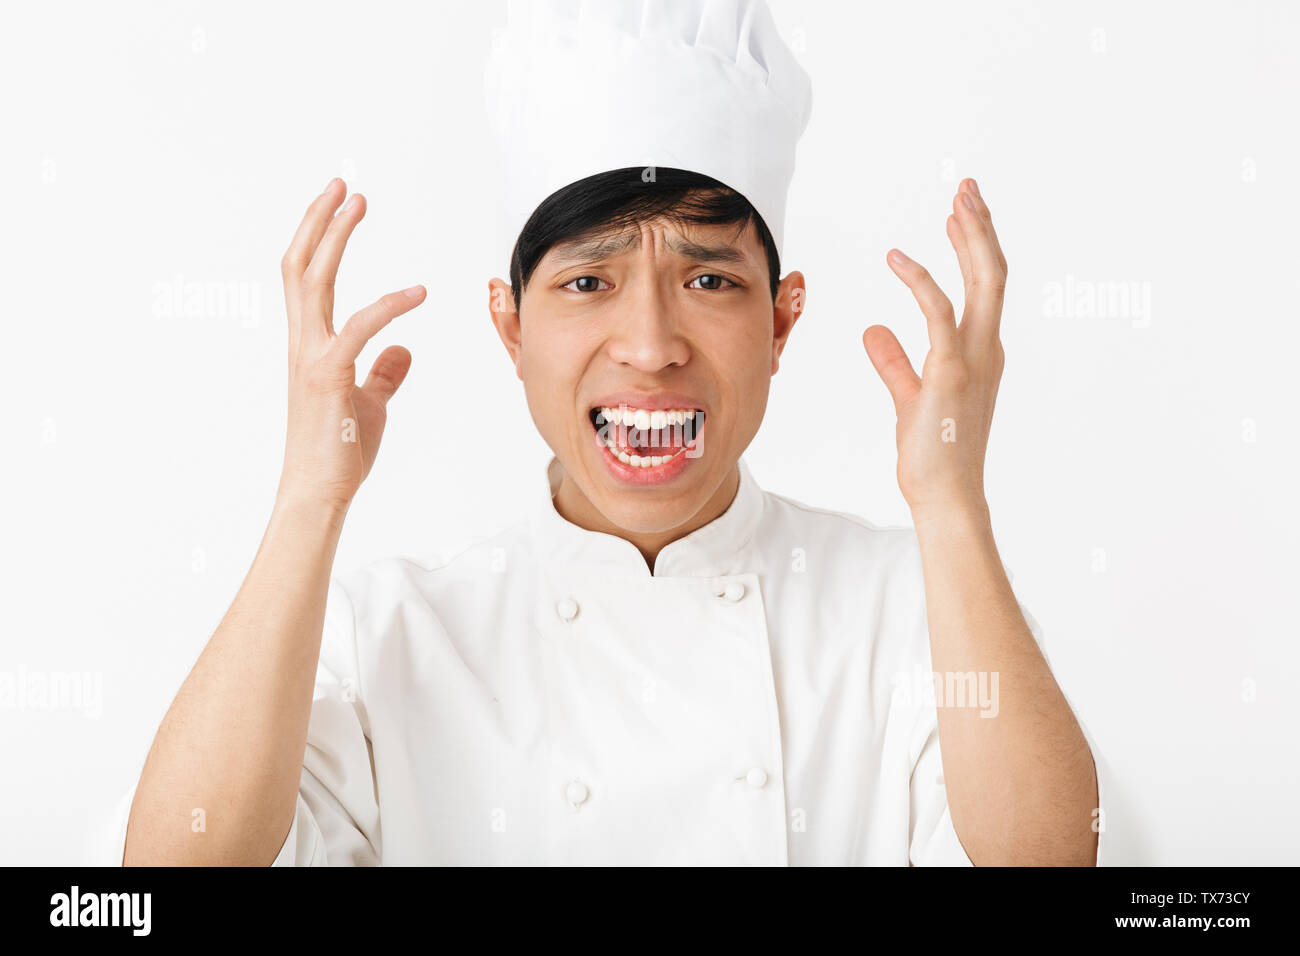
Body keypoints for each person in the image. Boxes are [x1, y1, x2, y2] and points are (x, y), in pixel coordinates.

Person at [109, 0, 1106, 866]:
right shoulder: (395, 634)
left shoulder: (914, 605)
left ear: (781, 321)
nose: (650, 343)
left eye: (708, 279)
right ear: (510, 325)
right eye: (588, 281)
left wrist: (952, 503)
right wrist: (305, 500)